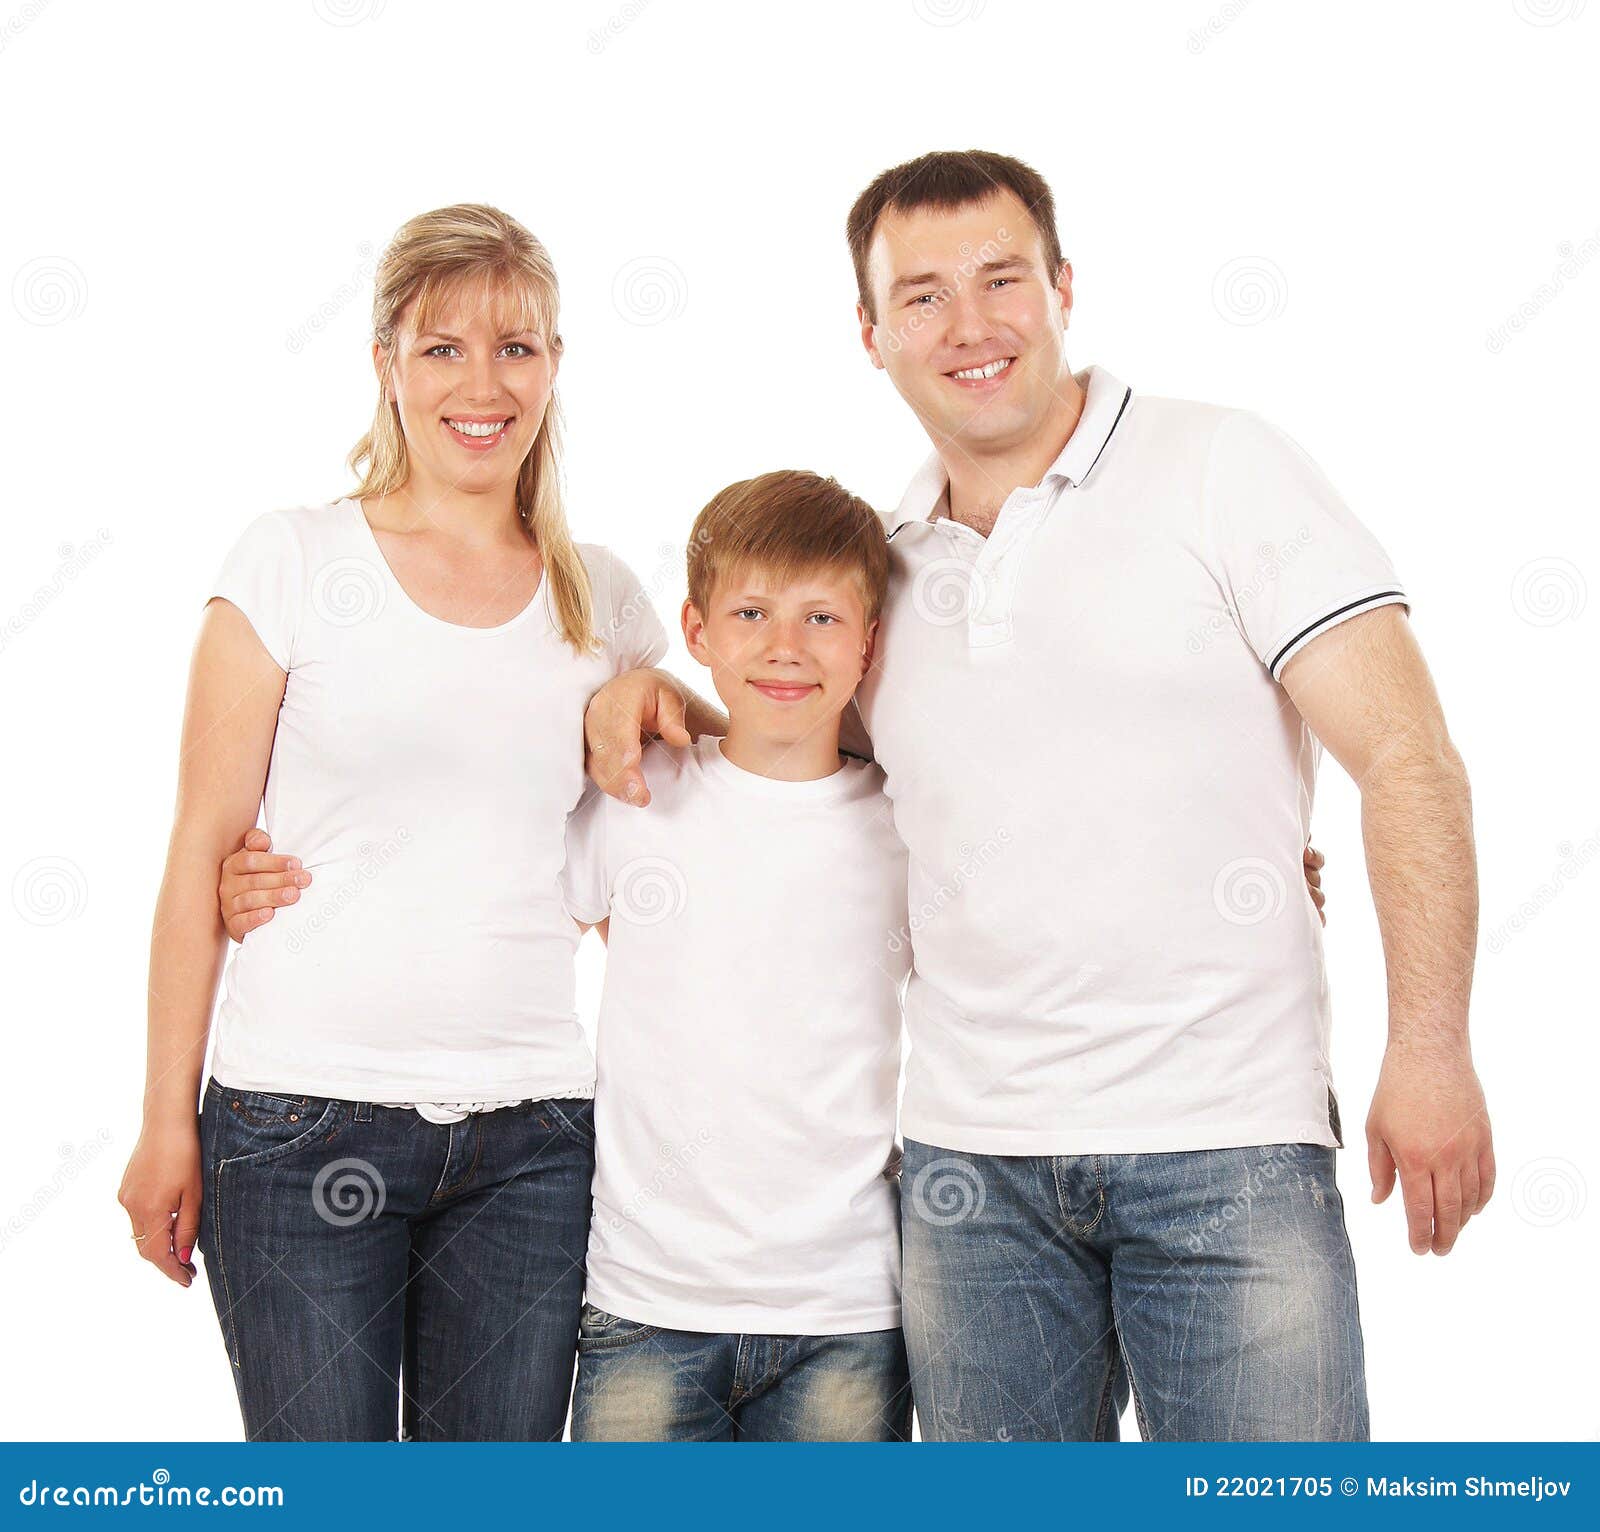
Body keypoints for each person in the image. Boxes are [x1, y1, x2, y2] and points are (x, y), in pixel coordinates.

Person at [581, 150, 1494, 1442]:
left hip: (1225, 1144)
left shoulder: (1224, 468)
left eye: (1003, 279)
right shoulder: (882, 568)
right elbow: (794, 747)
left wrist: (1433, 1048)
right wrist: (640, 694)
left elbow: (1407, 758)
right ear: (873, 333)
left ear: (1064, 287)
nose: (971, 326)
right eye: (924, 296)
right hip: (970, 1176)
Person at [117, 204, 670, 1441]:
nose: (484, 384)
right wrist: (164, 1120)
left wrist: (655, 691)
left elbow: (681, 815)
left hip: (531, 1138)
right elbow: (196, 858)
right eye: (442, 349)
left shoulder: (608, 602)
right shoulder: (291, 561)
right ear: (384, 364)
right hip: (296, 1123)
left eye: (516, 348)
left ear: (556, 365)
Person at [561, 470, 913, 1441]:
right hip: (645, 1300)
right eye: (751, 611)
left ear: (868, 643)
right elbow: (493, 906)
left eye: (821, 618)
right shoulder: (637, 791)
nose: (784, 647)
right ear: (697, 627)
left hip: (843, 1310)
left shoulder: (905, 823)